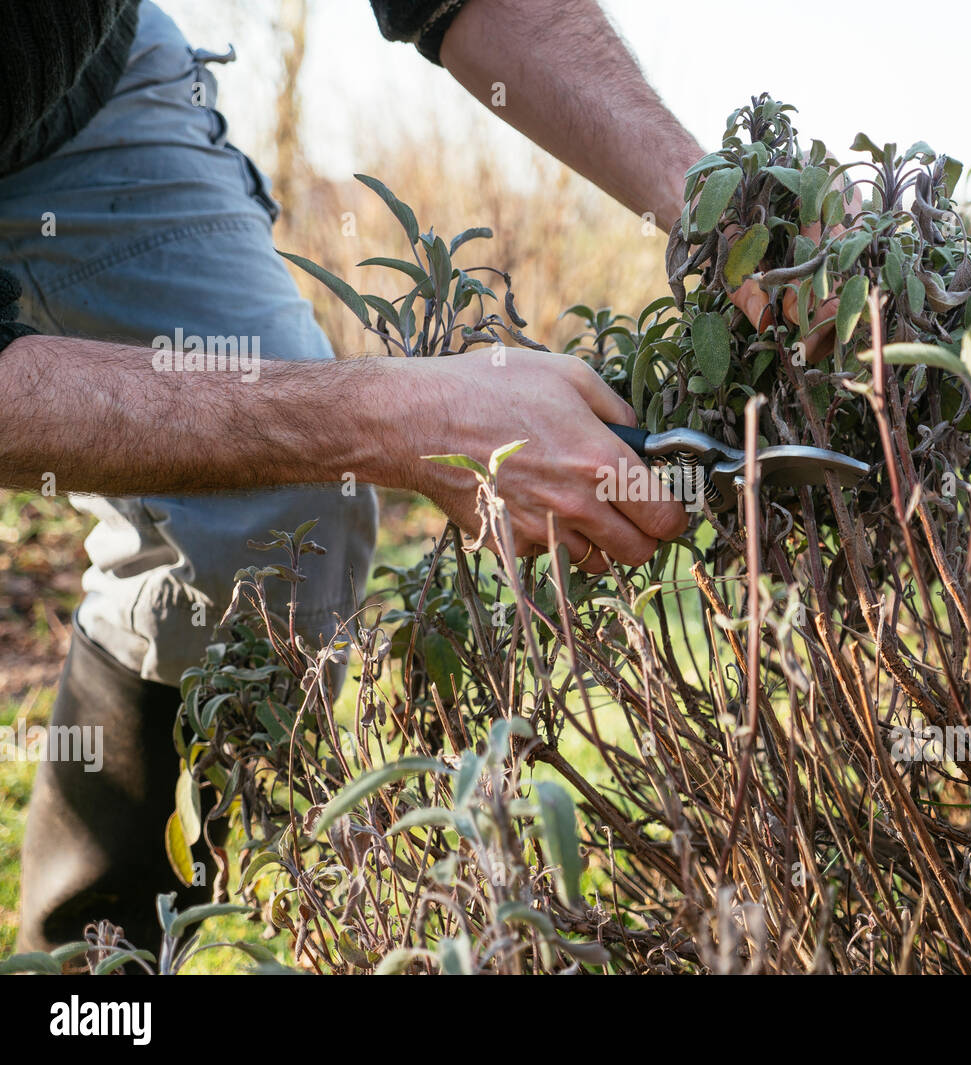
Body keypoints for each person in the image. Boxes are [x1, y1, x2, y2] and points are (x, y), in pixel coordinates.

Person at [0, 0, 708, 952]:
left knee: (268, 512)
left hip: (85, 95)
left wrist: (715, 206)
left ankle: (98, 977)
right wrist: (412, 414)